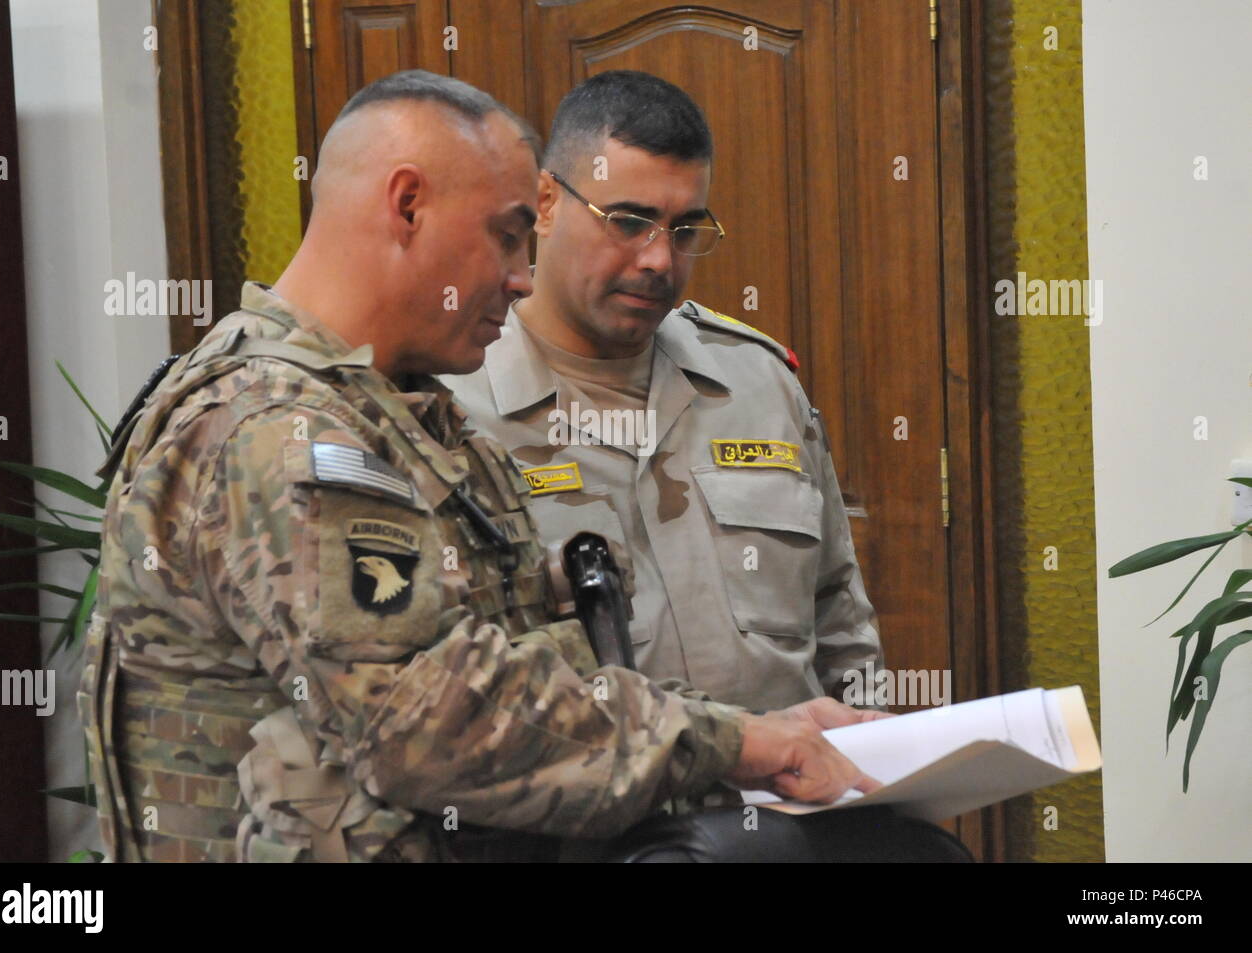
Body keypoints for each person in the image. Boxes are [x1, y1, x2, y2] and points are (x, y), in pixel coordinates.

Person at [76, 70, 890, 864]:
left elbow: (533, 666)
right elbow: (430, 721)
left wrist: (761, 733)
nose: (520, 275)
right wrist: (735, 742)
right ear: (407, 205)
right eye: (506, 235)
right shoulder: (279, 428)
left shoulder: (395, 411)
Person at [442, 71, 884, 713]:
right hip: (595, 782)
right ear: (545, 202)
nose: (659, 261)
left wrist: (871, 748)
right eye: (628, 222)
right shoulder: (452, 405)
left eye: (684, 231)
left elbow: (841, 623)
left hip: (796, 778)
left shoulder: (755, 382)